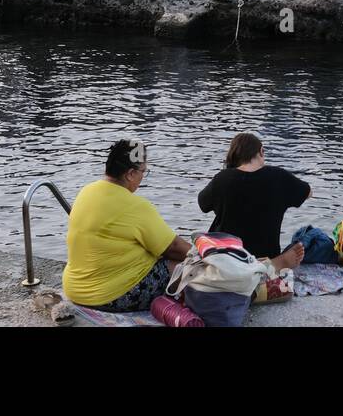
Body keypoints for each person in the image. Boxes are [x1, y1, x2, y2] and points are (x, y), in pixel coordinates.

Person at [62, 140, 193, 313]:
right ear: (130, 174)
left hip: (75, 289)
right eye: (143, 172)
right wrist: (206, 255)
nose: (142, 177)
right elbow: (173, 248)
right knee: (189, 267)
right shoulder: (134, 205)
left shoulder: (87, 191)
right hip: (111, 297)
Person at [197, 132, 311, 260]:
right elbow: (308, 192)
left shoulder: (222, 179)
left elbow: (203, 204)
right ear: (261, 151)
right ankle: (276, 263)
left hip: (227, 258)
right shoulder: (279, 177)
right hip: (267, 256)